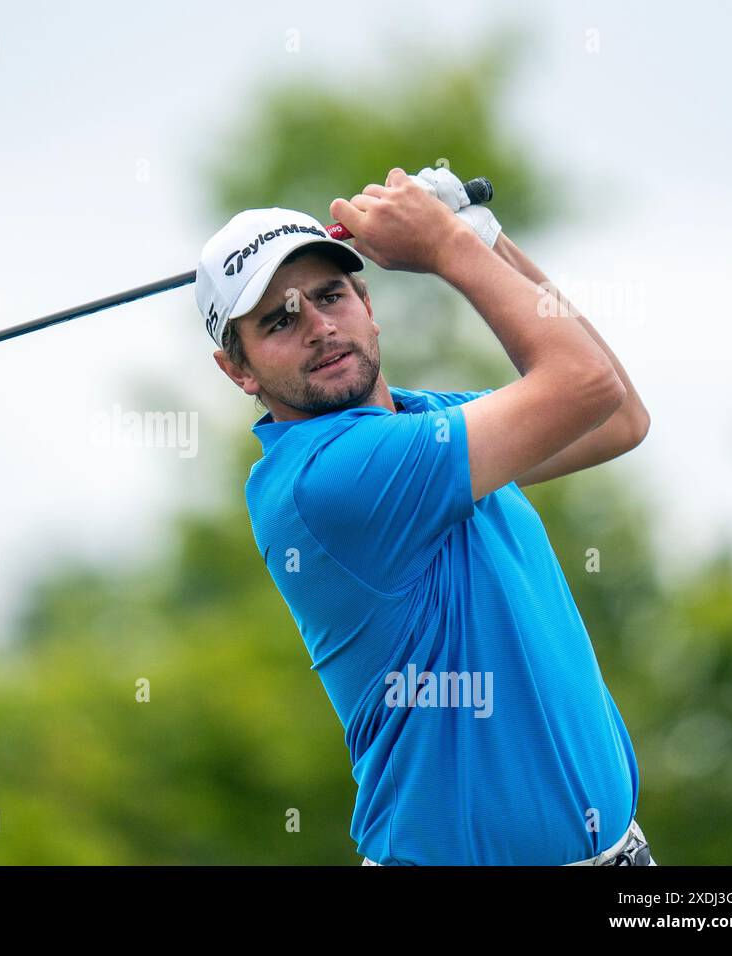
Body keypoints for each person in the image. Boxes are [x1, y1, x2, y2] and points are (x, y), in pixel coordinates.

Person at [195, 167, 655, 865]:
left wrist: (483, 236)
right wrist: (447, 248)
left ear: (367, 302)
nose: (320, 327)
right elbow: (581, 385)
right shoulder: (331, 478)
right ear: (240, 372)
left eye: (330, 295)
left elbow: (618, 413)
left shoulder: (423, 424)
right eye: (279, 320)